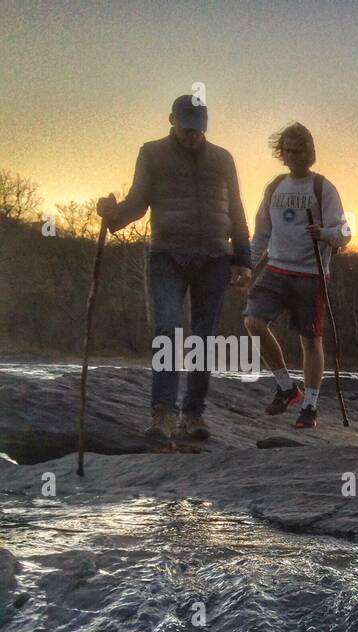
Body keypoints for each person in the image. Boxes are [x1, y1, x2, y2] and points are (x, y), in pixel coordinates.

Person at [97, 93, 252, 442]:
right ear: (171, 121)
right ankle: (163, 412)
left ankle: (193, 414)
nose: (192, 135)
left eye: (198, 129)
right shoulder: (151, 153)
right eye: (186, 128)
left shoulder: (223, 159)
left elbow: (236, 210)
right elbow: (138, 201)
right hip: (168, 255)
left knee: (204, 338)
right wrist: (113, 215)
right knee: (168, 328)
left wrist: (243, 258)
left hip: (215, 256)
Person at [243, 123, 350, 430]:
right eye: (287, 151)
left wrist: (325, 233)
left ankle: (310, 405)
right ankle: (287, 388)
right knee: (253, 321)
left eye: (298, 150)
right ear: (282, 154)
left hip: (310, 274)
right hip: (275, 269)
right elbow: (261, 233)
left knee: (310, 339)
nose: (292, 156)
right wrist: (247, 267)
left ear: (310, 152)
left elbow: (344, 233)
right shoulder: (275, 186)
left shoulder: (323, 188)